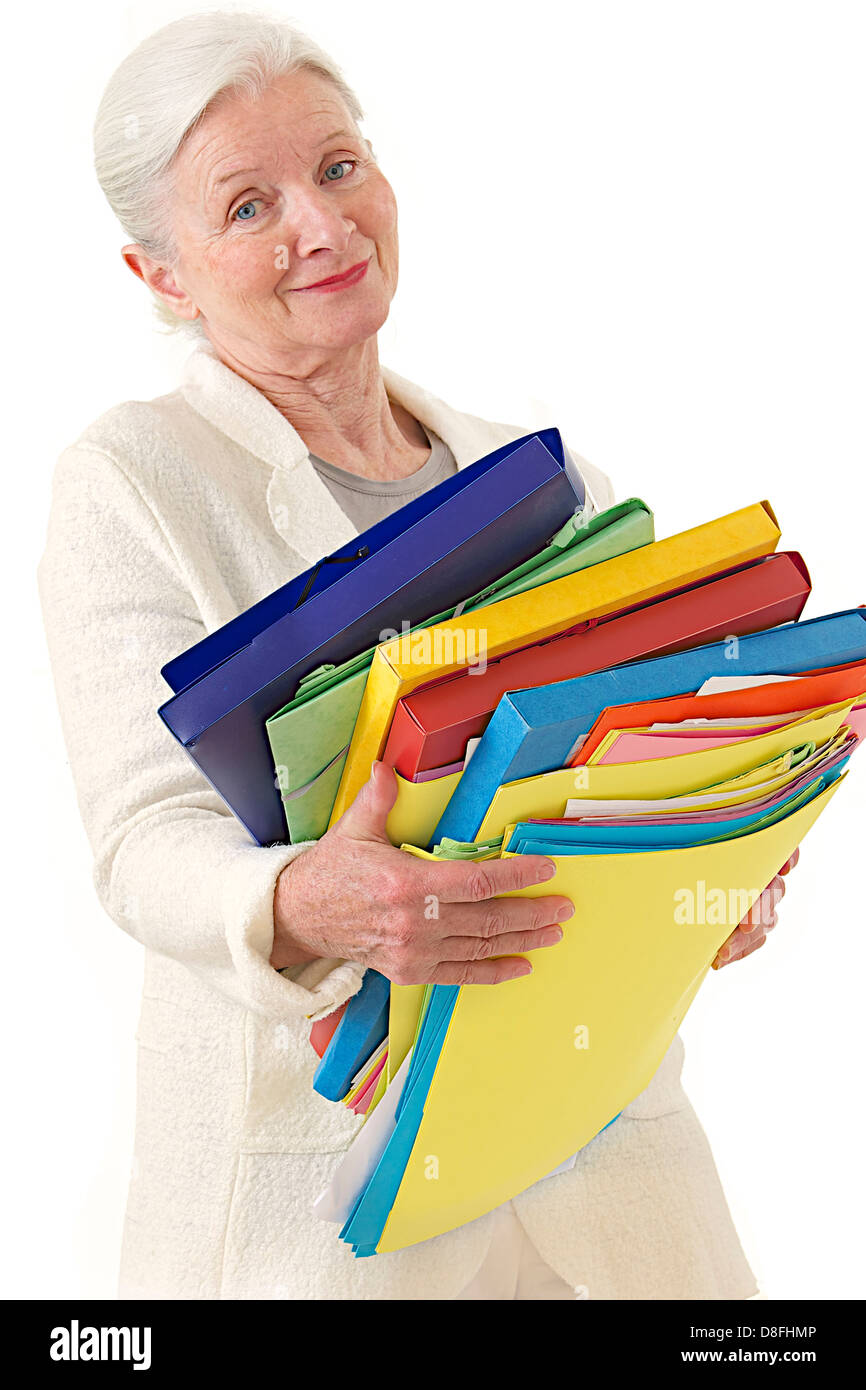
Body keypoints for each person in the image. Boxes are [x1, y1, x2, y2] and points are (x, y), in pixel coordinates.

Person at [38, 11, 787, 1300]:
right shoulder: (135, 482)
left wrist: (709, 870)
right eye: (246, 206)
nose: (322, 229)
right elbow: (142, 843)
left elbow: (632, 767)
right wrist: (303, 901)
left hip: (609, 1180)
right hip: (333, 1203)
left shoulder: (543, 485)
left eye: (338, 168)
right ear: (160, 275)